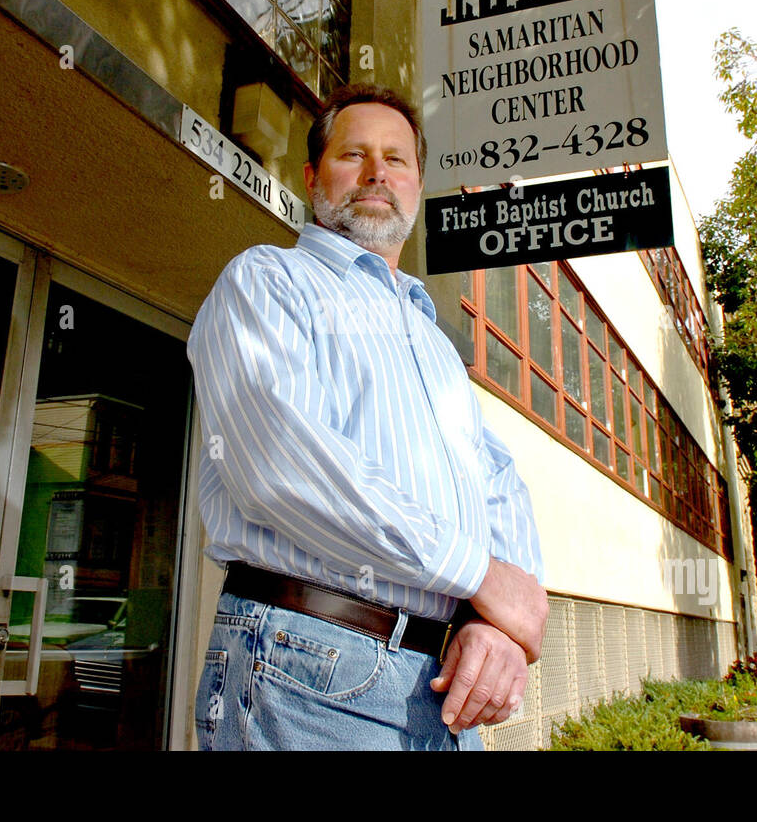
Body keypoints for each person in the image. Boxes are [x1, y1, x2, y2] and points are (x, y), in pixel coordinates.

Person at [186, 83, 547, 750]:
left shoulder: (431, 341)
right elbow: (280, 466)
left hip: (442, 685)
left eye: (397, 159)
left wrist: (499, 623)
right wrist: (481, 577)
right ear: (311, 176)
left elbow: (496, 483)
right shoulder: (267, 281)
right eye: (354, 153)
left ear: (416, 184)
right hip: (306, 672)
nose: (379, 172)